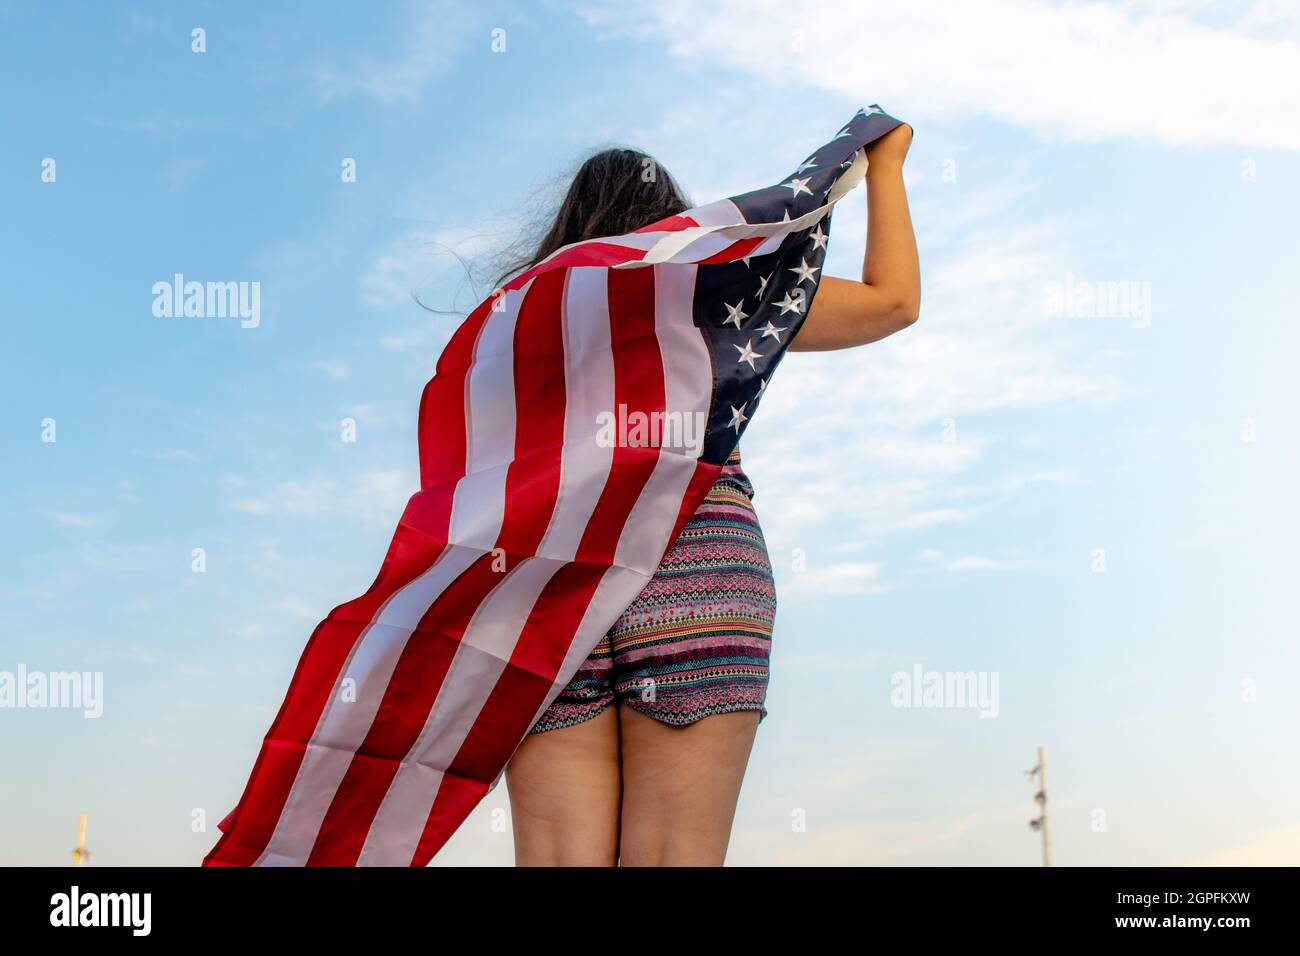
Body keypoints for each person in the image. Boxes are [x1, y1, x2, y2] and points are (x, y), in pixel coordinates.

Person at [504, 122, 919, 866]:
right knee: (675, 854)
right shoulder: (714, 287)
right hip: (698, 554)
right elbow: (894, 303)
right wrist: (886, 165)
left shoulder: (519, 312)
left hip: (547, 575)